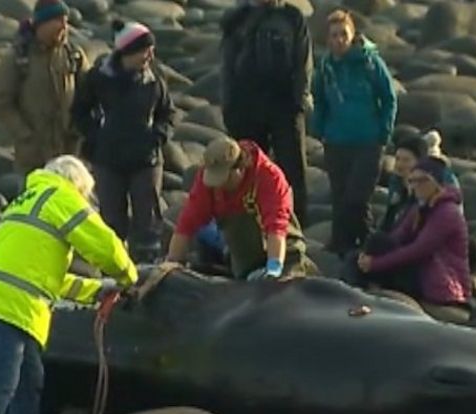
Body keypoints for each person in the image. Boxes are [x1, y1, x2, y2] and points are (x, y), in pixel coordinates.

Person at [0, 155, 139, 414]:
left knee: (29, 378)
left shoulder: (28, 199)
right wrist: (129, 275)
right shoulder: (61, 198)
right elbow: (103, 244)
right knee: (3, 380)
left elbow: (45, 277)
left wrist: (97, 289)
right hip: (14, 302)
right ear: (78, 185)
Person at [71, 20, 176, 263]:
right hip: (108, 160)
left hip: (146, 160)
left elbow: (168, 113)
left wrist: (157, 136)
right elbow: (79, 111)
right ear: (128, 52)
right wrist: (96, 135)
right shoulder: (98, 78)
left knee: (147, 220)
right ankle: (114, 270)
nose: (150, 56)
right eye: (145, 50)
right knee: (112, 221)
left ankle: (147, 266)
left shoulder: (154, 80)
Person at [166, 137, 317, 280]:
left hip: (280, 245)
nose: (219, 185)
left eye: (224, 178)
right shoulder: (207, 178)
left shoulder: (268, 177)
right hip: (243, 250)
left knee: (287, 276)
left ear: (240, 168)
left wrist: (274, 269)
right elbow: (187, 222)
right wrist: (172, 263)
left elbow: (276, 227)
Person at [310, 9, 397, 256]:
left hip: (368, 141)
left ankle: (366, 243)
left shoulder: (370, 62)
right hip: (336, 141)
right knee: (339, 197)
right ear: (327, 39)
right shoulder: (326, 66)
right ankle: (340, 244)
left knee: (357, 199)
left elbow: (389, 97)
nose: (339, 40)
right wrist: (320, 128)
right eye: (334, 35)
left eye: (343, 34)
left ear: (352, 34)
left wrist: (384, 131)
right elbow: (319, 99)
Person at [220, 0, 312, 224]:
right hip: (246, 106)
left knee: (292, 169)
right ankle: (250, 222)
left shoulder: (292, 17)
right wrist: (228, 105)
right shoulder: (237, 20)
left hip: (284, 104)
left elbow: (303, 62)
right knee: (246, 170)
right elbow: (227, 65)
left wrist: (300, 100)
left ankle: (295, 222)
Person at [354, 157, 471, 308]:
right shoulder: (420, 208)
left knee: (376, 258)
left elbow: (419, 250)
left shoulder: (447, 212)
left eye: (421, 180)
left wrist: (376, 264)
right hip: (421, 271)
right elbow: (397, 237)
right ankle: (360, 291)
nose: (415, 186)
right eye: (412, 181)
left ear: (436, 183)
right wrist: (366, 257)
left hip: (441, 283)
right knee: (376, 242)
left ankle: (362, 292)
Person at [0, 0, 89, 174]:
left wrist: (79, 128)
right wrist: (24, 135)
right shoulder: (16, 58)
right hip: (33, 157)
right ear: (42, 23)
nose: (64, 27)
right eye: (58, 21)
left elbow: (89, 94)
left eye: (66, 21)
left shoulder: (73, 55)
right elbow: (1, 102)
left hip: (69, 155)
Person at [382, 131, 459, 233]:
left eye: (406, 160)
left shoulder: (432, 185)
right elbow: (390, 214)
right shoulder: (397, 180)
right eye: (397, 159)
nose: (399, 164)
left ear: (420, 162)